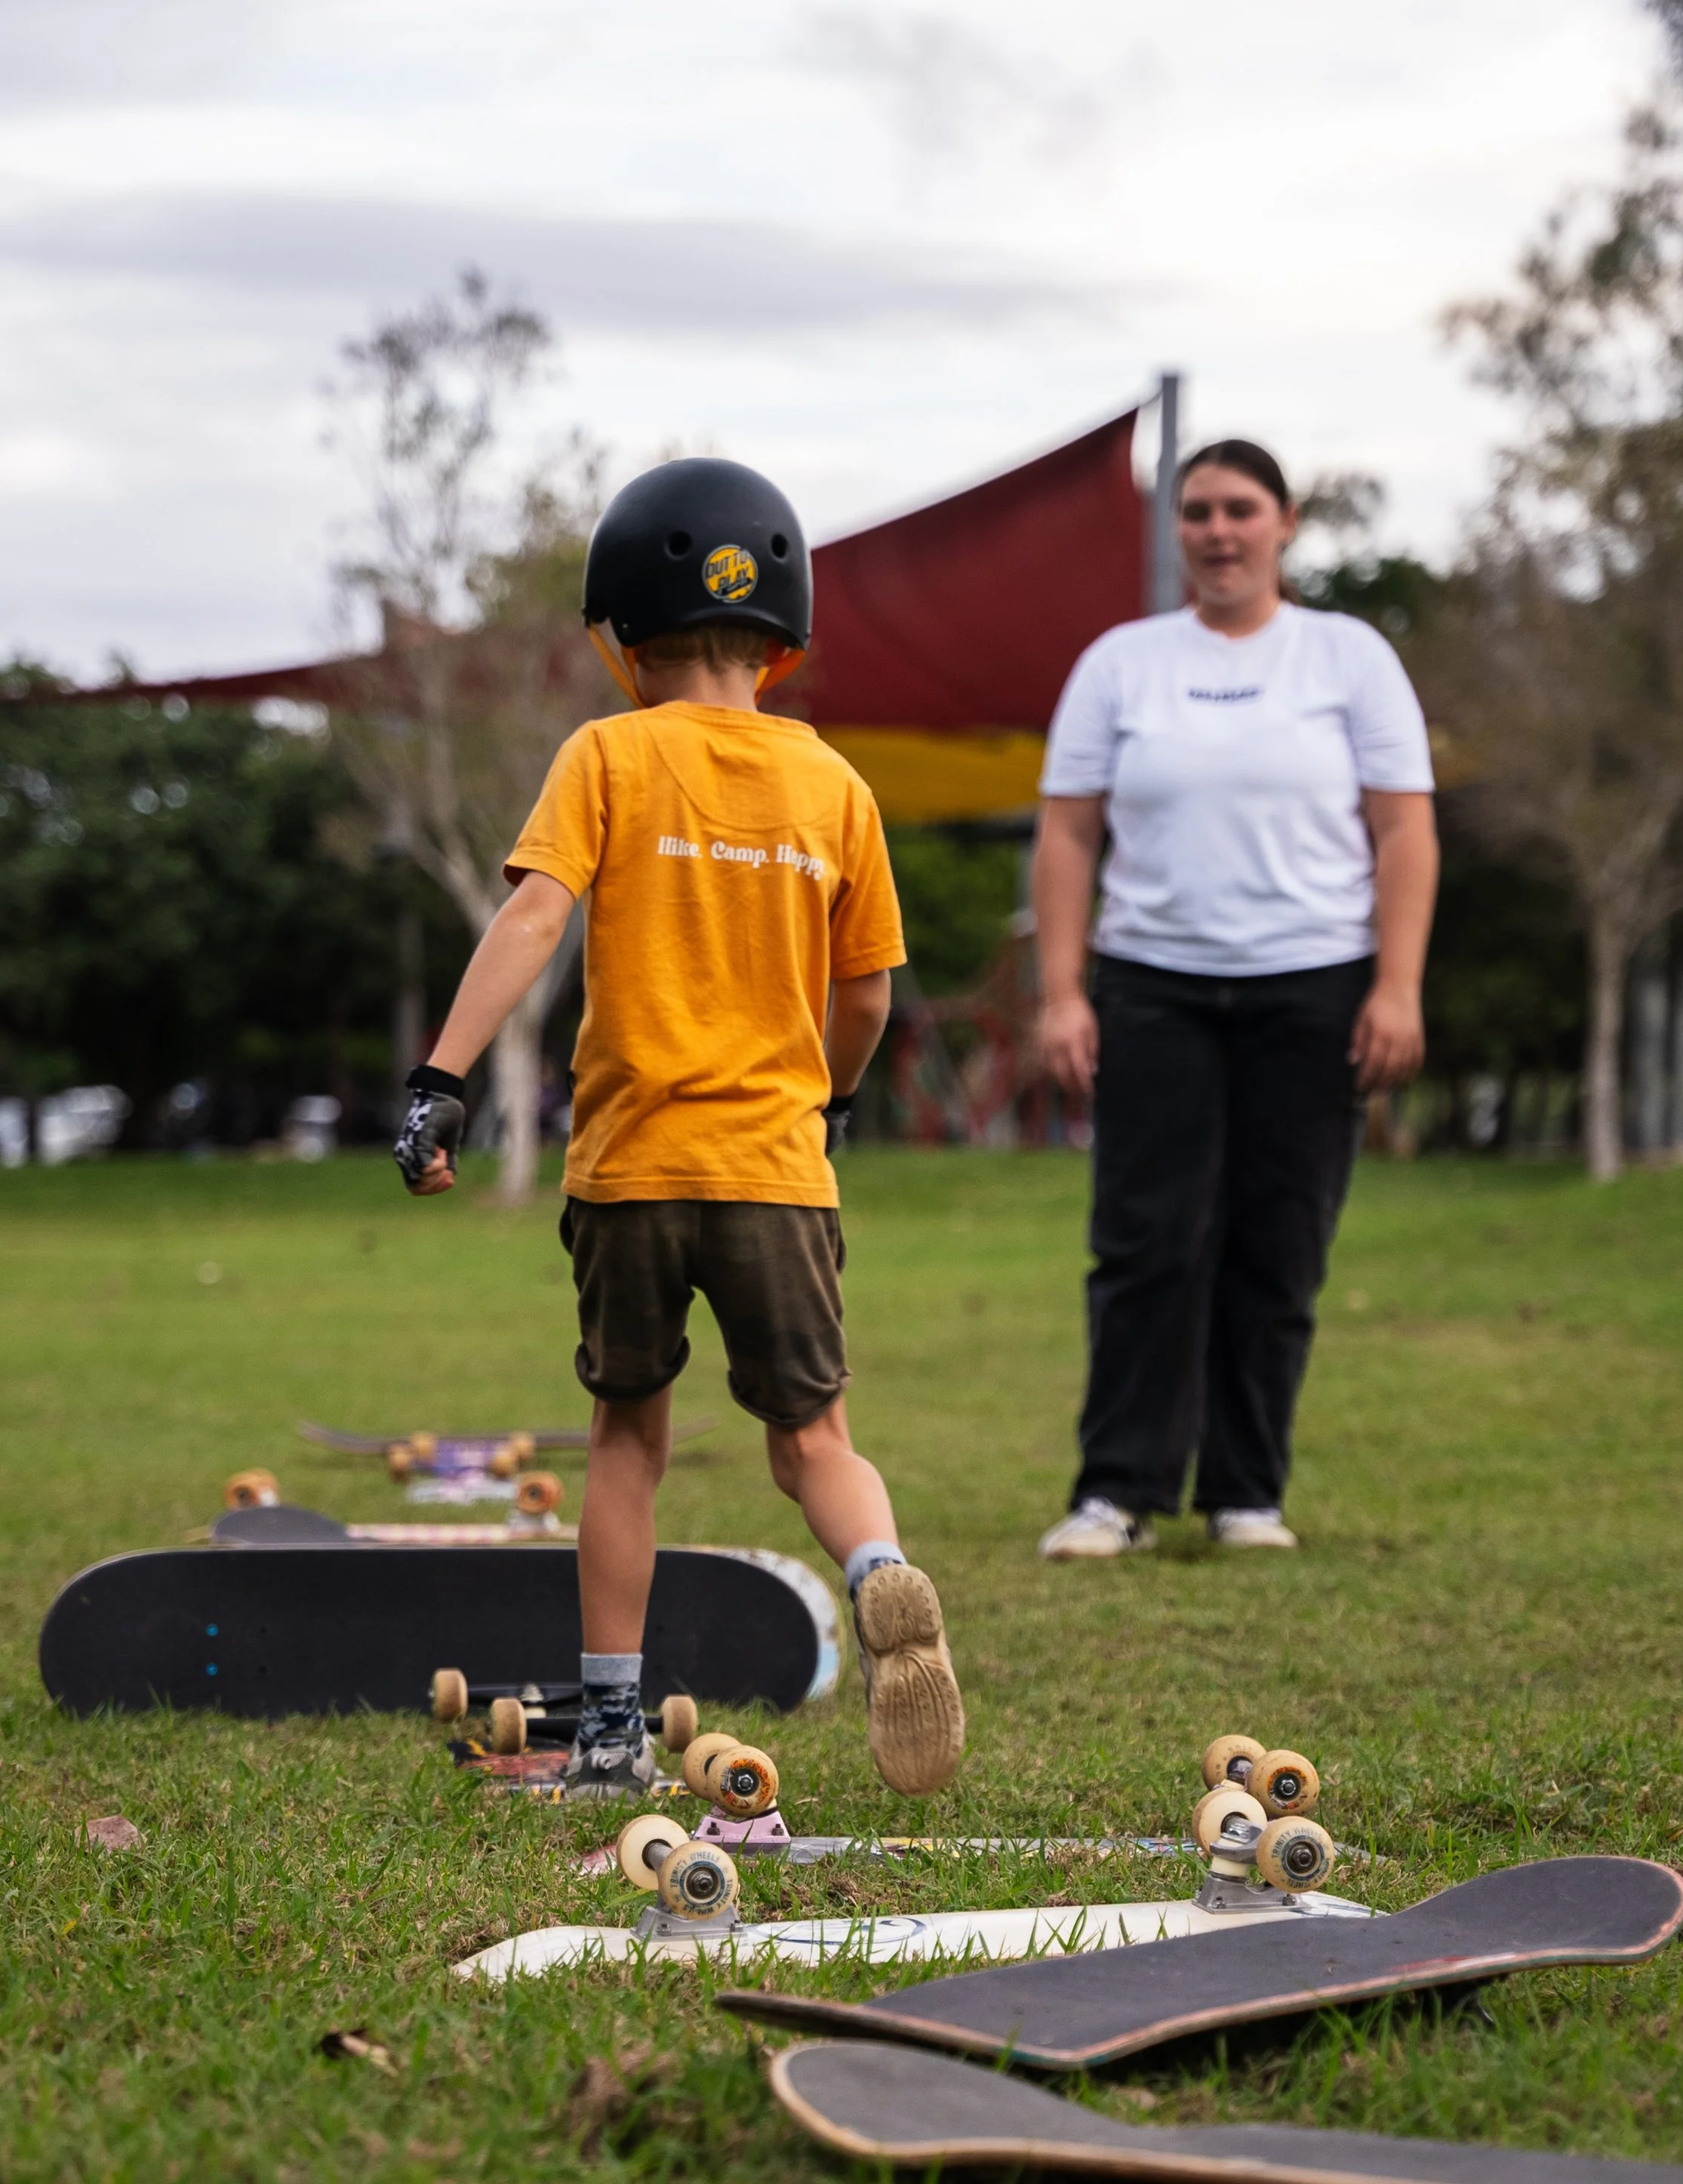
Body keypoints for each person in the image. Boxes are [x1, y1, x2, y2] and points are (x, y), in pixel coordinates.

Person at [392, 457, 967, 1800]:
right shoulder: (835, 788)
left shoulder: (606, 754)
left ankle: (604, 1730)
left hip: (635, 1167)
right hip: (778, 1167)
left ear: (622, 634)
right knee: (814, 1440)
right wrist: (818, 1097)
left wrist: (442, 1076)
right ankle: (882, 1572)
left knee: (627, 1440)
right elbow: (868, 995)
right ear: (785, 639)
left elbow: (534, 917)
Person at [1032, 437, 1438, 1558]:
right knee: (1146, 1242)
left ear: (1286, 522)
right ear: (1178, 530)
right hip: (1153, 985)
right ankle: (1115, 1492)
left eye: (1240, 509)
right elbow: (1069, 834)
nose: (1219, 531)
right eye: (1198, 510)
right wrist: (1065, 993)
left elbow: (1404, 828)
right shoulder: (1122, 662)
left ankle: (1246, 1494)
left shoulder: (1348, 658)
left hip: (1313, 984)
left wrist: (1397, 985)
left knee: (1279, 1242)